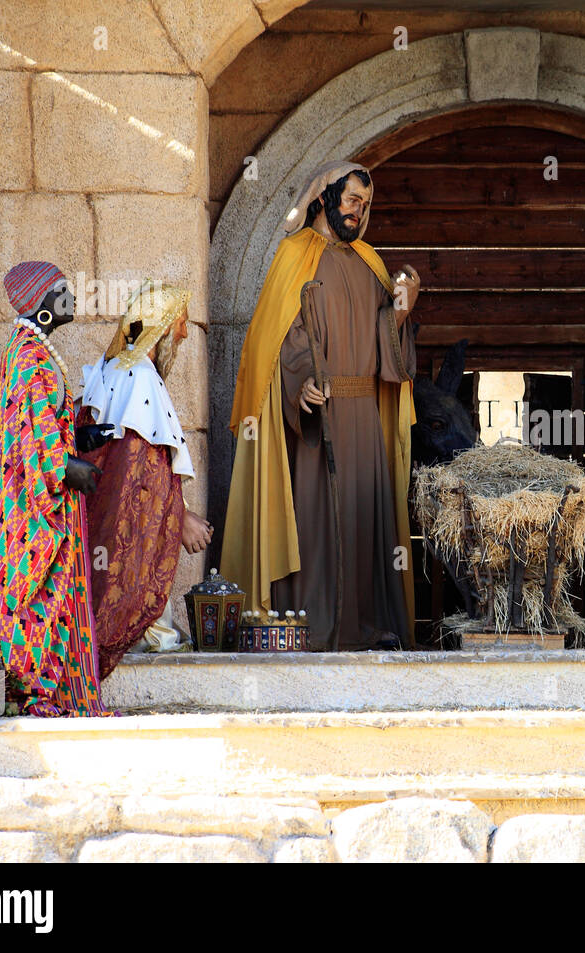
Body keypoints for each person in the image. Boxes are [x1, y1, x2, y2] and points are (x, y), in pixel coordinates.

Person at [221, 160, 420, 651]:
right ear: (327, 196)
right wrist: (302, 383)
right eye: (352, 200)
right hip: (317, 420)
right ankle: (309, 626)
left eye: (366, 205)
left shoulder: (370, 261)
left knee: (366, 521)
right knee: (315, 525)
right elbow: (282, 340)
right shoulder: (294, 256)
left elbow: (384, 342)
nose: (359, 212)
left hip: (365, 419)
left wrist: (400, 311)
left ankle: (369, 625)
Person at [0, 262, 110, 716]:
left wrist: (83, 438)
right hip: (29, 507)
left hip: (31, 493)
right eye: (61, 291)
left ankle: (30, 687)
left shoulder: (33, 350)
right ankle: (25, 687)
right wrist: (65, 467)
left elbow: (40, 423)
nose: (71, 298)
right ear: (41, 304)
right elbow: (31, 435)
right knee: (31, 591)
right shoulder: (29, 355)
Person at [79, 280, 213, 679]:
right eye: (181, 324)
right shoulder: (140, 378)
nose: (186, 333)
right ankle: (143, 632)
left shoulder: (117, 370)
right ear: (161, 328)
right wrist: (181, 518)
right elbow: (140, 479)